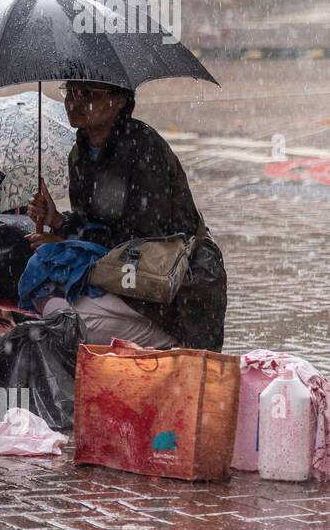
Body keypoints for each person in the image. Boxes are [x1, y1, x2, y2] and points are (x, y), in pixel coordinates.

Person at [26, 81, 227, 350]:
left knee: (71, 319)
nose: (73, 103)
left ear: (120, 100)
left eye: (87, 94)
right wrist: (58, 221)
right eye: (70, 92)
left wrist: (67, 243)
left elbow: (141, 238)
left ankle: (171, 344)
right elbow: (91, 221)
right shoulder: (80, 153)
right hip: (124, 275)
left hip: (174, 282)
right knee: (45, 293)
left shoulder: (145, 150)